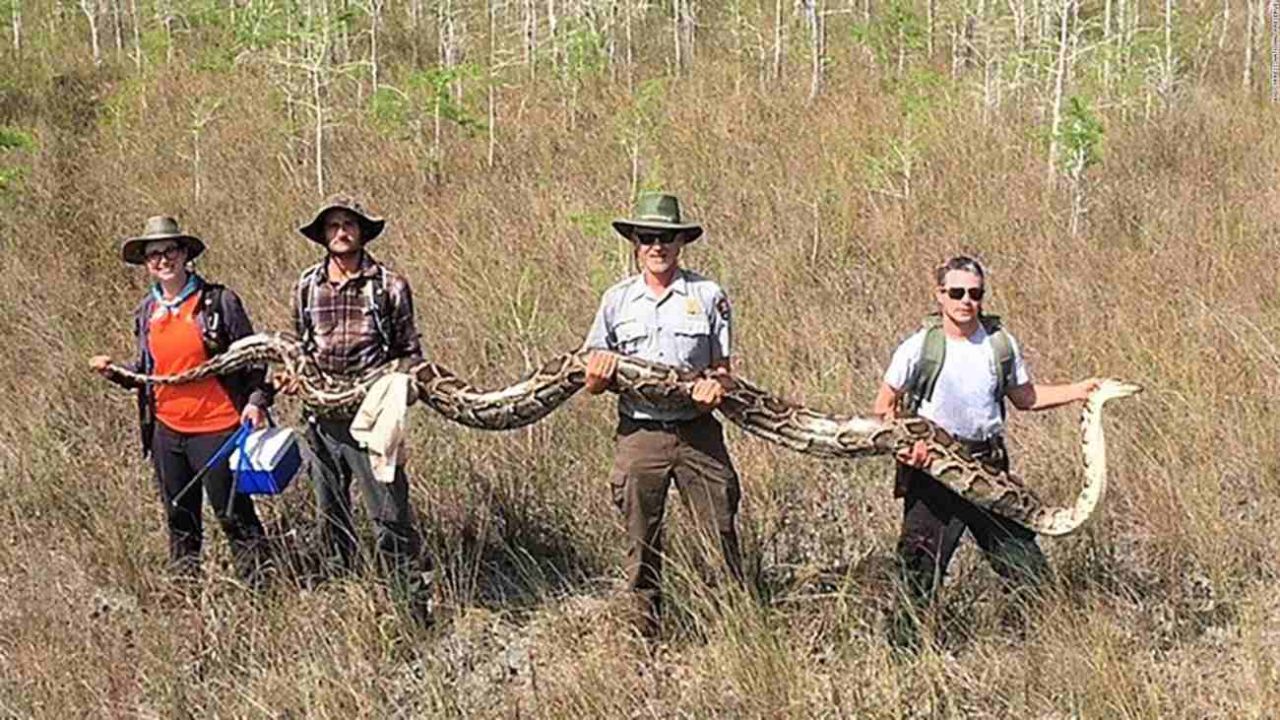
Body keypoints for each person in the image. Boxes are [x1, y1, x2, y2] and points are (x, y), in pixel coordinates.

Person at [871, 255, 1099, 644]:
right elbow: (884, 406)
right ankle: (903, 660)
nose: (965, 301)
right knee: (918, 572)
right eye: (956, 292)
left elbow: (1025, 397)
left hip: (989, 470)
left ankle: (1050, 645)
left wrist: (1080, 391)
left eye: (974, 294)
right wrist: (908, 451)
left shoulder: (999, 344)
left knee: (1026, 567)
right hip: (933, 475)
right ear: (939, 295)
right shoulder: (918, 347)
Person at [582, 192, 743, 639]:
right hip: (640, 432)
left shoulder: (709, 296)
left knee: (720, 533)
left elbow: (726, 373)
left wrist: (717, 387)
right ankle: (644, 635)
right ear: (635, 242)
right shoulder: (616, 300)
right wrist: (597, 376)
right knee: (641, 540)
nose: (658, 246)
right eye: (648, 237)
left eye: (666, 237)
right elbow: (592, 379)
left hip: (697, 432)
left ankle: (734, 631)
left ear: (681, 243)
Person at [89, 215, 272, 585]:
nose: (162, 260)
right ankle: (186, 592)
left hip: (218, 428)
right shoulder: (147, 312)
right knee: (179, 515)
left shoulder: (218, 302)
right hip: (167, 431)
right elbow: (149, 372)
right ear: (146, 263)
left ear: (185, 253)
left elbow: (255, 358)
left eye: (169, 250)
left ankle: (262, 592)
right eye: (152, 254)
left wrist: (256, 401)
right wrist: (115, 372)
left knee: (233, 513)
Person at [283, 194, 431, 623]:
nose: (341, 232)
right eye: (332, 226)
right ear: (323, 236)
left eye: (349, 224)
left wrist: (396, 384)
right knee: (330, 515)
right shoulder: (306, 285)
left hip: (374, 418)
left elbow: (409, 351)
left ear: (362, 231)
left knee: (389, 514)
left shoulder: (389, 284)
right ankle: (344, 602)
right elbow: (299, 347)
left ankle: (410, 606)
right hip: (320, 418)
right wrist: (294, 377)